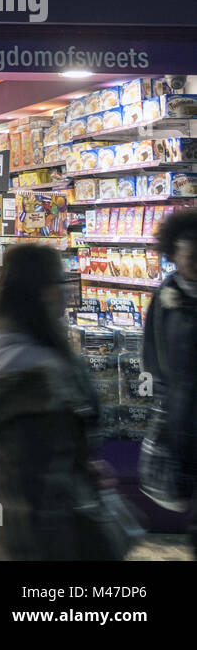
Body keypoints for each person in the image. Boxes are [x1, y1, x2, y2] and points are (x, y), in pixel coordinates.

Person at [0, 243, 117, 560]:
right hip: (46, 518)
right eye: (60, 283)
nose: (65, 292)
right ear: (43, 292)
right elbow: (43, 456)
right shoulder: (42, 366)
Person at [143, 208, 197, 552]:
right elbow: (152, 353)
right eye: (190, 255)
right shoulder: (165, 298)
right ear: (173, 254)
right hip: (182, 417)